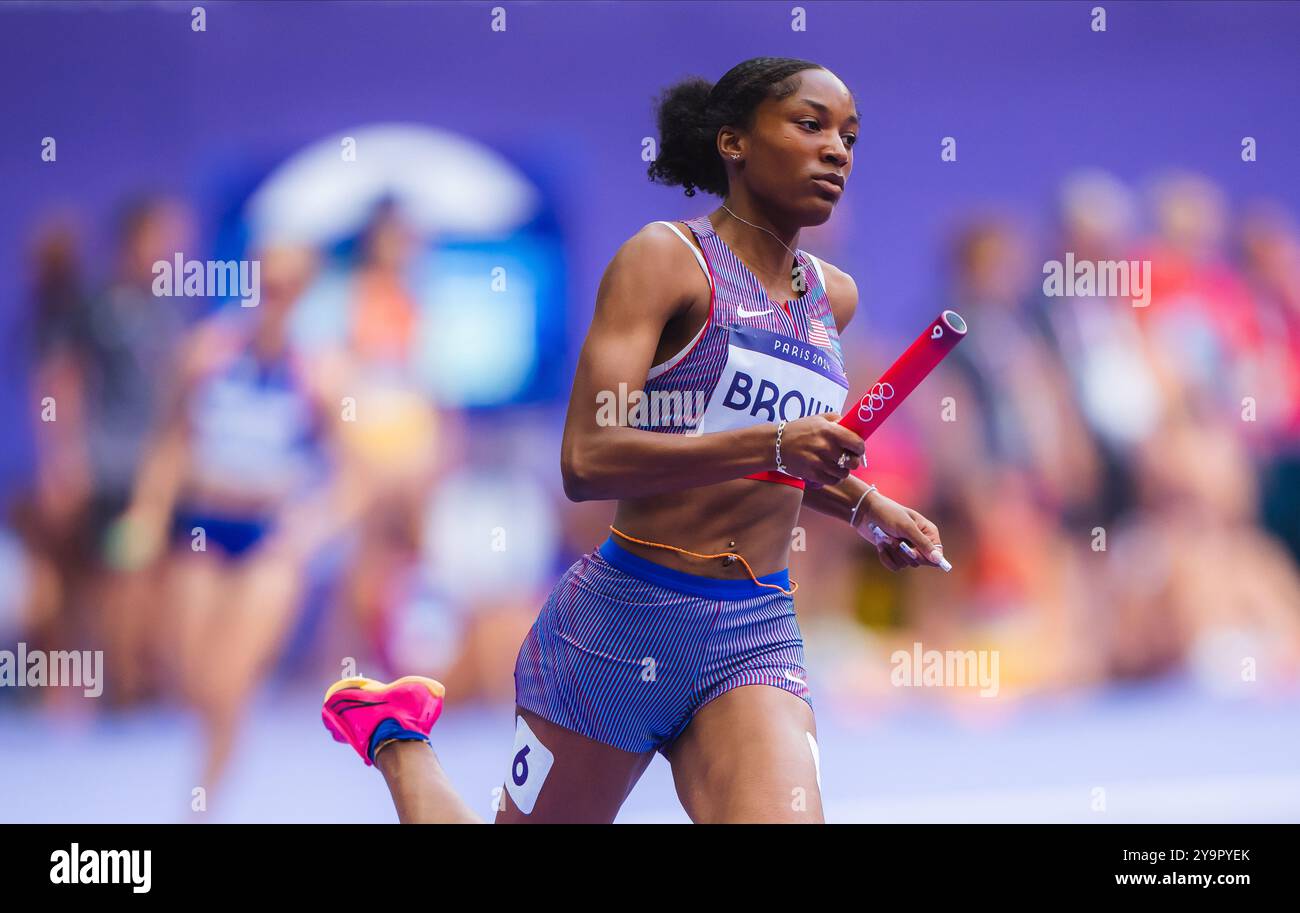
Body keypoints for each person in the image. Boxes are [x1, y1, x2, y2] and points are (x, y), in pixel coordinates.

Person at [321, 57, 948, 824]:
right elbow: (587, 459)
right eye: (810, 125)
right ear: (734, 143)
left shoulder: (832, 299)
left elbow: (778, 459)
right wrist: (774, 443)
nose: (837, 150)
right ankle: (396, 737)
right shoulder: (663, 262)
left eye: (849, 136)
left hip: (753, 631)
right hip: (620, 628)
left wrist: (864, 504)